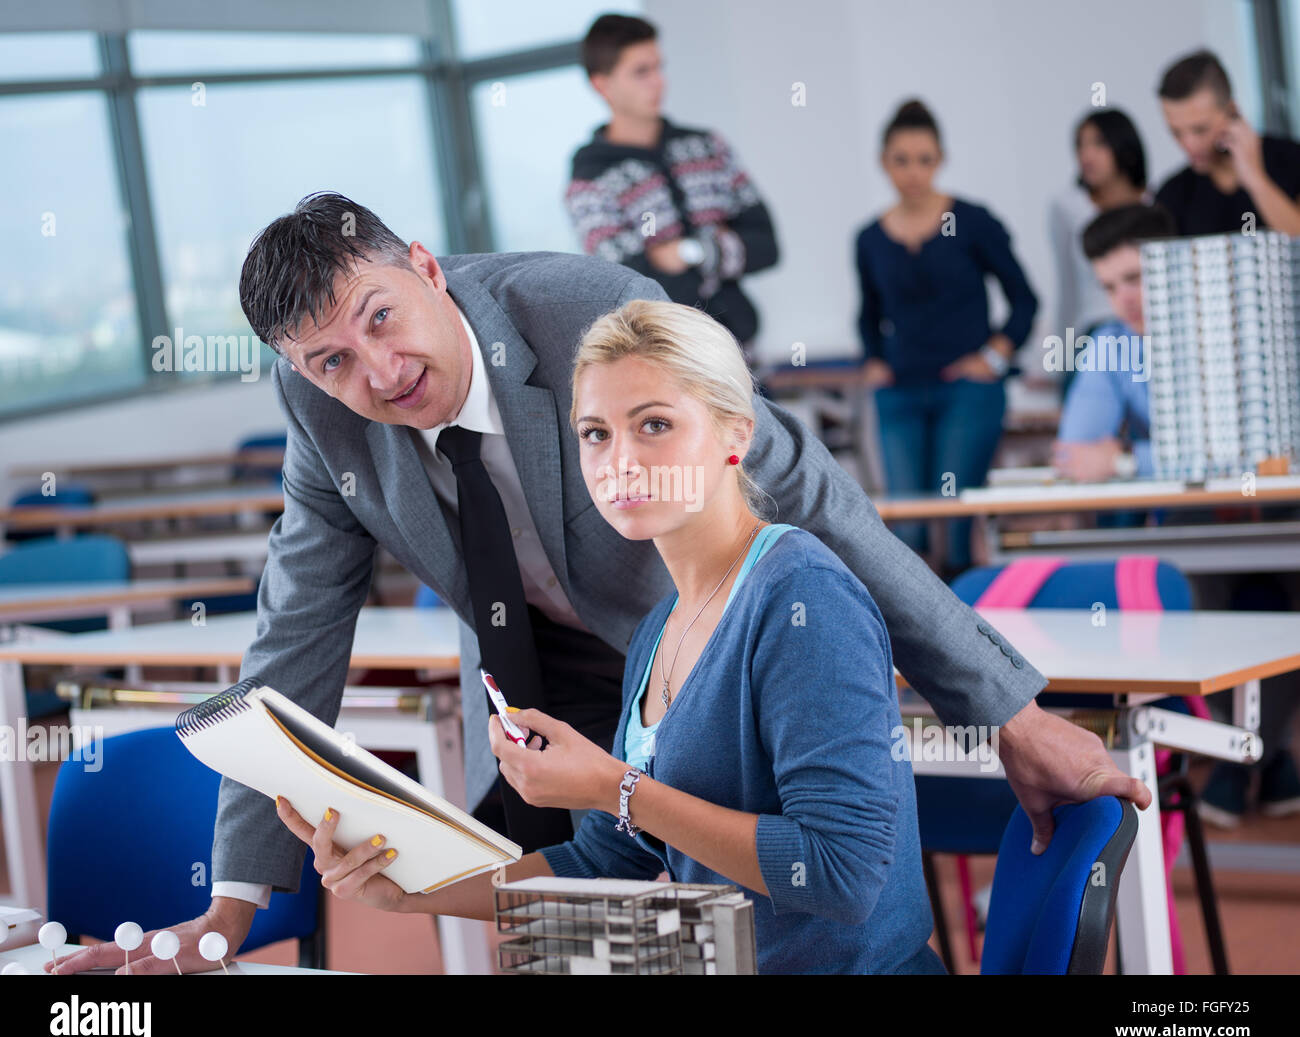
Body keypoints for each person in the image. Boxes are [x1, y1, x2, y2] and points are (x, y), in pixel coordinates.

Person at [52, 192, 1146, 976]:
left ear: (427, 269)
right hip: (582, 686)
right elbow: (295, 633)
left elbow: (809, 506)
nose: (374, 374)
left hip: (716, 648)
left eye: (380, 318)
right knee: (575, 914)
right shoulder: (327, 413)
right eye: (329, 360)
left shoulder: (594, 323)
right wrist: (234, 908)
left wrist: (1000, 708)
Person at [275, 300, 948, 975]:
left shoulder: (802, 595)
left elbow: (840, 872)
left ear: (733, 435)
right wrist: (414, 888)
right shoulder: (659, 628)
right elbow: (602, 861)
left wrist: (614, 786)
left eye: (654, 424)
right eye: (595, 433)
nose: (620, 461)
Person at [855, 99, 1039, 577]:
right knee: (908, 532)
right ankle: (913, 643)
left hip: (967, 389)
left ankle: (965, 637)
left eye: (924, 160)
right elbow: (868, 313)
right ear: (883, 163)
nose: (913, 172)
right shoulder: (869, 238)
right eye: (900, 160)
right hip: (899, 393)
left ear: (940, 161)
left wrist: (994, 358)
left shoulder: (973, 221)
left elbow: (1024, 300)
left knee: (955, 522)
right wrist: (874, 361)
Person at [565, 13, 778, 350]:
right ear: (602, 85)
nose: (658, 82)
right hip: (667, 359)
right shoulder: (590, 178)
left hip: (744, 353)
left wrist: (690, 251)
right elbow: (630, 285)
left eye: (659, 67)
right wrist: (723, 248)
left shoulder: (708, 146)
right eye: (641, 72)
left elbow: (767, 246)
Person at [1052, 203, 1176, 483]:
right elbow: (1075, 456)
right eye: (1109, 287)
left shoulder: (1222, 328)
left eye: (1134, 278)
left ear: (1171, 264)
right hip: (1180, 510)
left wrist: (1126, 460)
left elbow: (1242, 457)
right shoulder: (1112, 343)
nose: (1124, 299)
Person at [1155, 49, 1300, 237]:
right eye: (1176, 132)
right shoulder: (1173, 194)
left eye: (1200, 130)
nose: (1188, 144)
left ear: (1231, 110)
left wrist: (1255, 179)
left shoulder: (1291, 160)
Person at [1048, 109, 1149, 348]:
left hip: (1150, 326)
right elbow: (1067, 289)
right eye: (1080, 146)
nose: (1086, 155)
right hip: (1095, 329)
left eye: (1099, 144)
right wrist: (1058, 357)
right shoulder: (1067, 208)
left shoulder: (1157, 201)